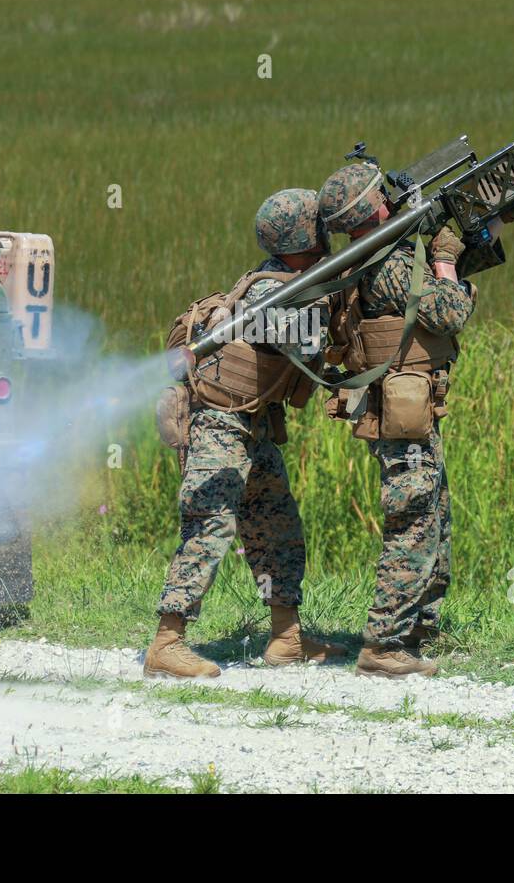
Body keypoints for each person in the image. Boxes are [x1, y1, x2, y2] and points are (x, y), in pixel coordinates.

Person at [318, 161, 514, 677]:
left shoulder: (378, 253)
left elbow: (434, 280)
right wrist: (448, 257)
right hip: (400, 413)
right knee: (413, 520)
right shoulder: (385, 262)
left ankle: (418, 627)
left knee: (434, 513)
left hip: (410, 407)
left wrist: (493, 222)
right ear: (373, 206)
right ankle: (384, 645)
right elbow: (449, 310)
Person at [144, 189, 346, 678]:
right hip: (218, 424)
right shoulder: (269, 292)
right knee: (209, 526)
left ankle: (286, 638)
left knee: (276, 525)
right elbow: (310, 342)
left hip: (251, 426)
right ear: (306, 235)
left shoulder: (295, 279)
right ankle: (166, 643)